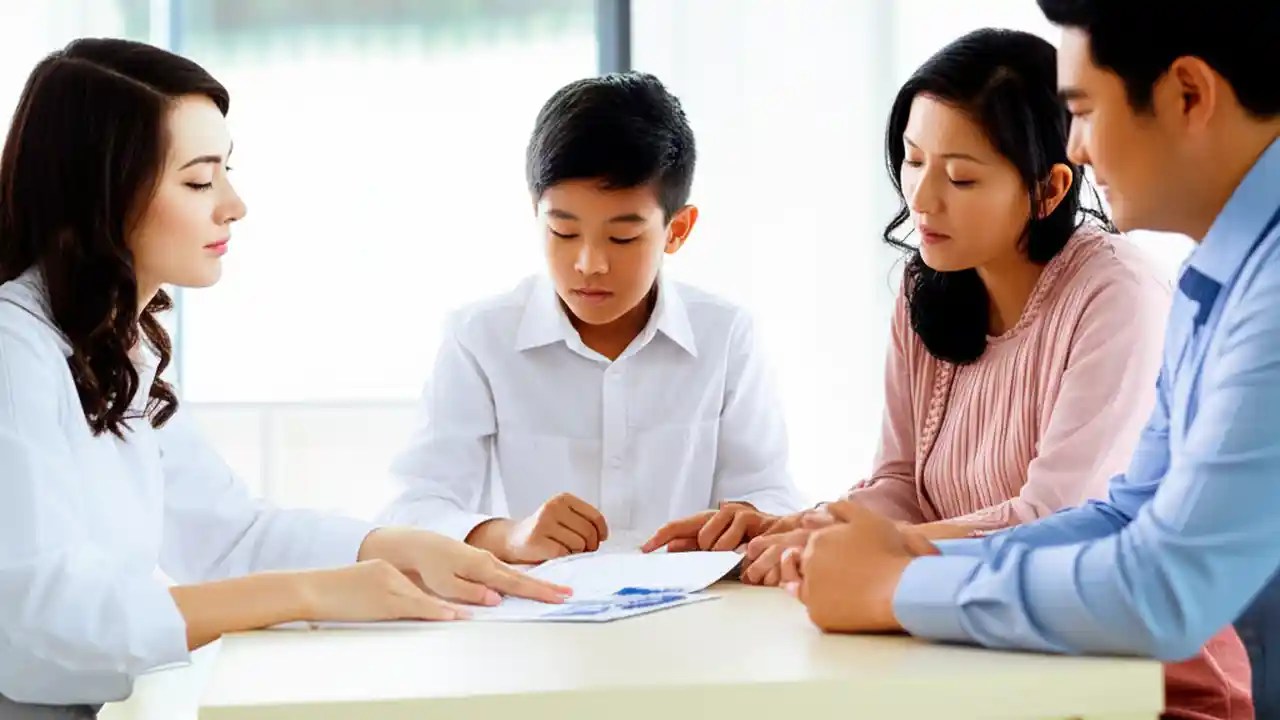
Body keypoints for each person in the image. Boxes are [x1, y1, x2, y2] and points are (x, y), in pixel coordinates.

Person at [0, 38, 568, 714]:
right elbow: (37, 634)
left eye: (226, 171)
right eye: (199, 180)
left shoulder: (113, 348)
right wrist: (309, 593)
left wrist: (394, 549)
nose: (233, 205)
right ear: (102, 193)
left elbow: (227, 534)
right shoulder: (16, 354)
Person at [782, 3, 1280, 719]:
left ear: (1188, 96)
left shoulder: (1237, 290)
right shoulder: (1216, 279)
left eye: (1082, 111)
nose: (1075, 150)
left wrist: (893, 587)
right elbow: (1124, 515)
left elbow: (1167, 587)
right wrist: (901, 555)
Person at [379, 72, 804, 563]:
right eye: (563, 232)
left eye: (622, 238)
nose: (589, 264)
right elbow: (411, 509)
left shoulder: (726, 335)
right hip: (534, 618)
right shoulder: (480, 337)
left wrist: (748, 516)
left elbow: (771, 493)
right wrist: (510, 536)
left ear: (677, 230)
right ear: (535, 215)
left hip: (691, 617)